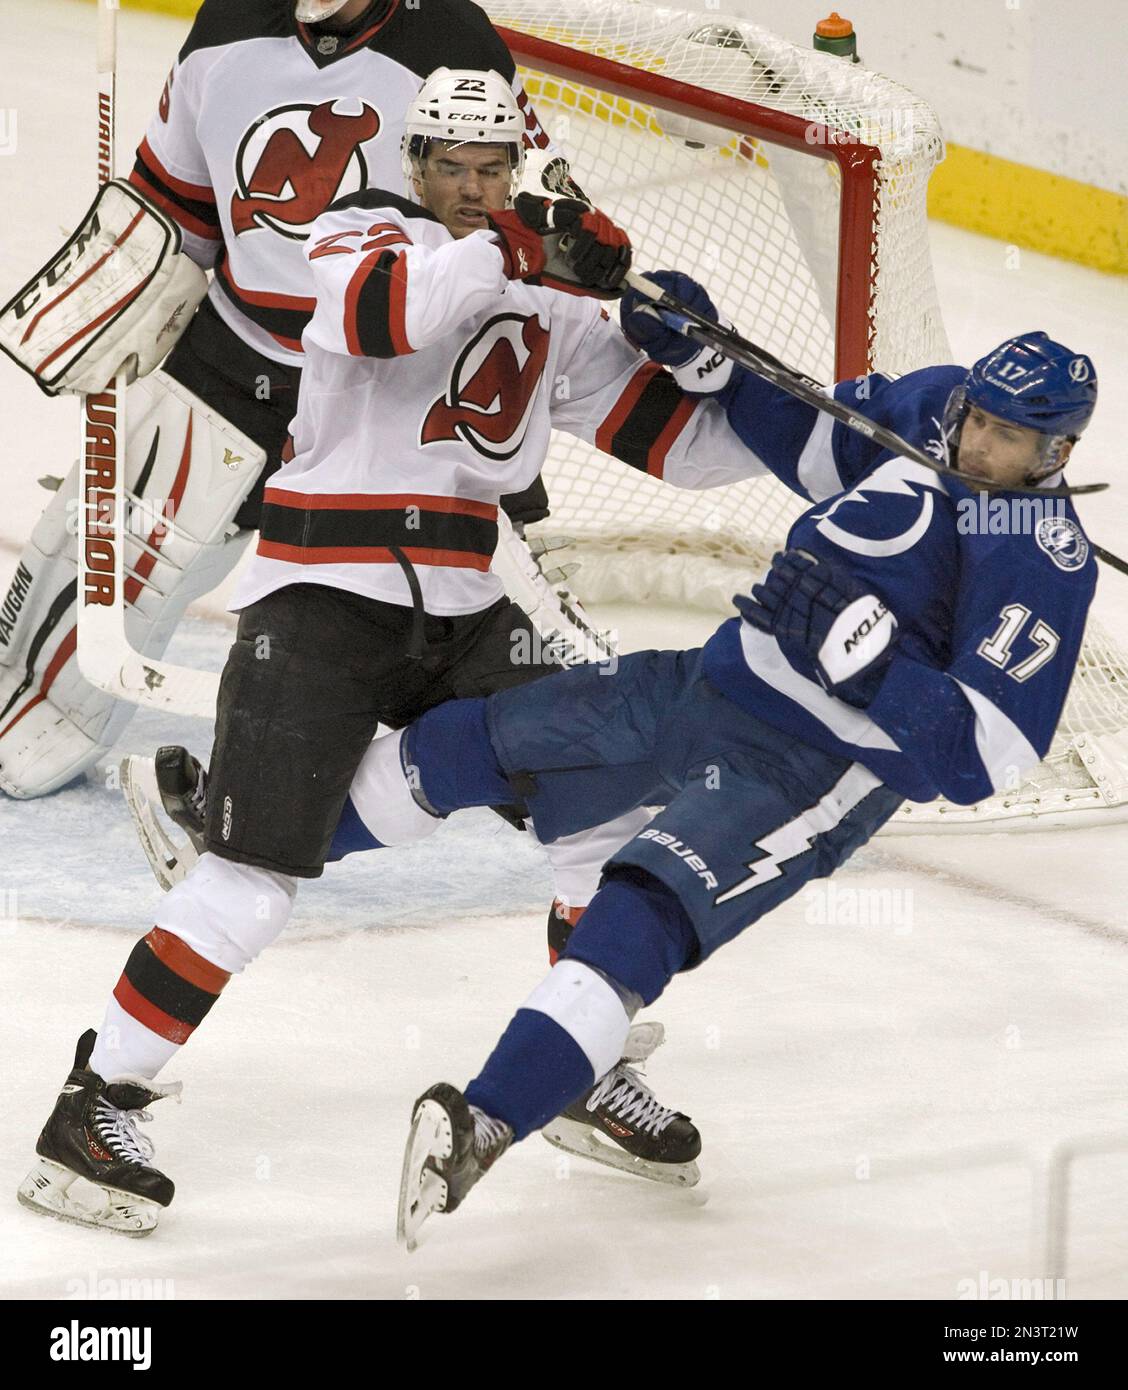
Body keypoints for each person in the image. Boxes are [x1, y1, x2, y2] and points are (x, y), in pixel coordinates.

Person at [16, 74, 766, 1236]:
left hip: (471, 609)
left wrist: (715, 365)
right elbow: (388, 315)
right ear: (417, 165)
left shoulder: (547, 305)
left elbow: (687, 451)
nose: (473, 189)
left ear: (513, 171)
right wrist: (525, 246)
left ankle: (583, 1058)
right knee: (253, 883)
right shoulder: (359, 234)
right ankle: (94, 1101)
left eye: (493, 171)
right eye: (453, 168)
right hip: (323, 594)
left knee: (609, 808)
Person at [380, 284, 1100, 1246]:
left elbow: (979, 756)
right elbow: (812, 440)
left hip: (808, 770)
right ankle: (243, 822)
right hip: (713, 682)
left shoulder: (1037, 557)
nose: (978, 446)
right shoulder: (933, 411)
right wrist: (709, 361)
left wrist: (872, 664)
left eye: (1009, 441)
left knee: (643, 905)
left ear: (1055, 456)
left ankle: (487, 1119)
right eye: (979, 418)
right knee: (477, 739)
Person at [0, 0, 577, 804]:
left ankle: (548, 763)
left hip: (392, 389)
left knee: (471, 662)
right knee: (73, 603)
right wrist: (128, 273)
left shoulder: (452, 40)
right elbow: (181, 202)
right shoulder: (227, 23)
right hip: (231, 361)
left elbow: (525, 215)